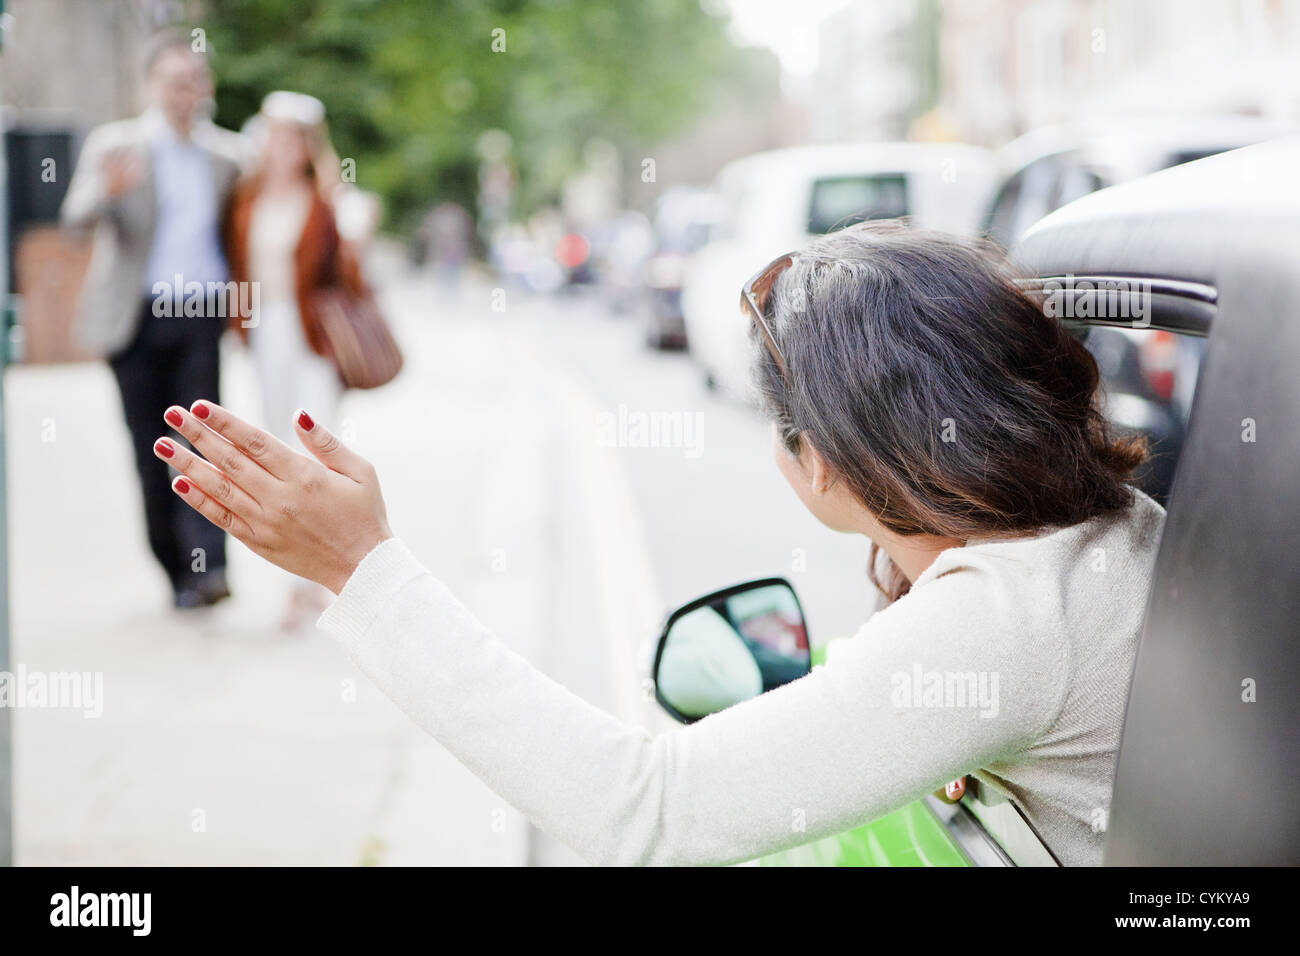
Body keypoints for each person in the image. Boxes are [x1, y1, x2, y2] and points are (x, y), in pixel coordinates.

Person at [150, 220, 1165, 866]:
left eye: (782, 422)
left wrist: (359, 565)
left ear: (827, 457)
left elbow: (646, 811)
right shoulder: (1092, 531)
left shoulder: (1002, 619)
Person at [61, 32, 242, 609]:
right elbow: (74, 218)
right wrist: (107, 193)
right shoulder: (119, 145)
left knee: (205, 443)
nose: (183, 92)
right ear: (152, 86)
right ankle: (177, 571)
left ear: (205, 88)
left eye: (192, 81)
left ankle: (209, 567)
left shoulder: (227, 157)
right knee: (151, 448)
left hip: (200, 314)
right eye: (171, 81)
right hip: (135, 317)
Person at [222, 91, 362, 631]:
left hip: (314, 337)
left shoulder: (327, 200)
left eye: (294, 139)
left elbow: (349, 274)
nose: (284, 148)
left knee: (317, 451)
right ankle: (303, 582)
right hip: (264, 334)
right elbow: (236, 270)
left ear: (307, 146)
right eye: (275, 137)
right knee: (277, 452)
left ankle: (315, 584)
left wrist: (352, 229)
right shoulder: (246, 199)